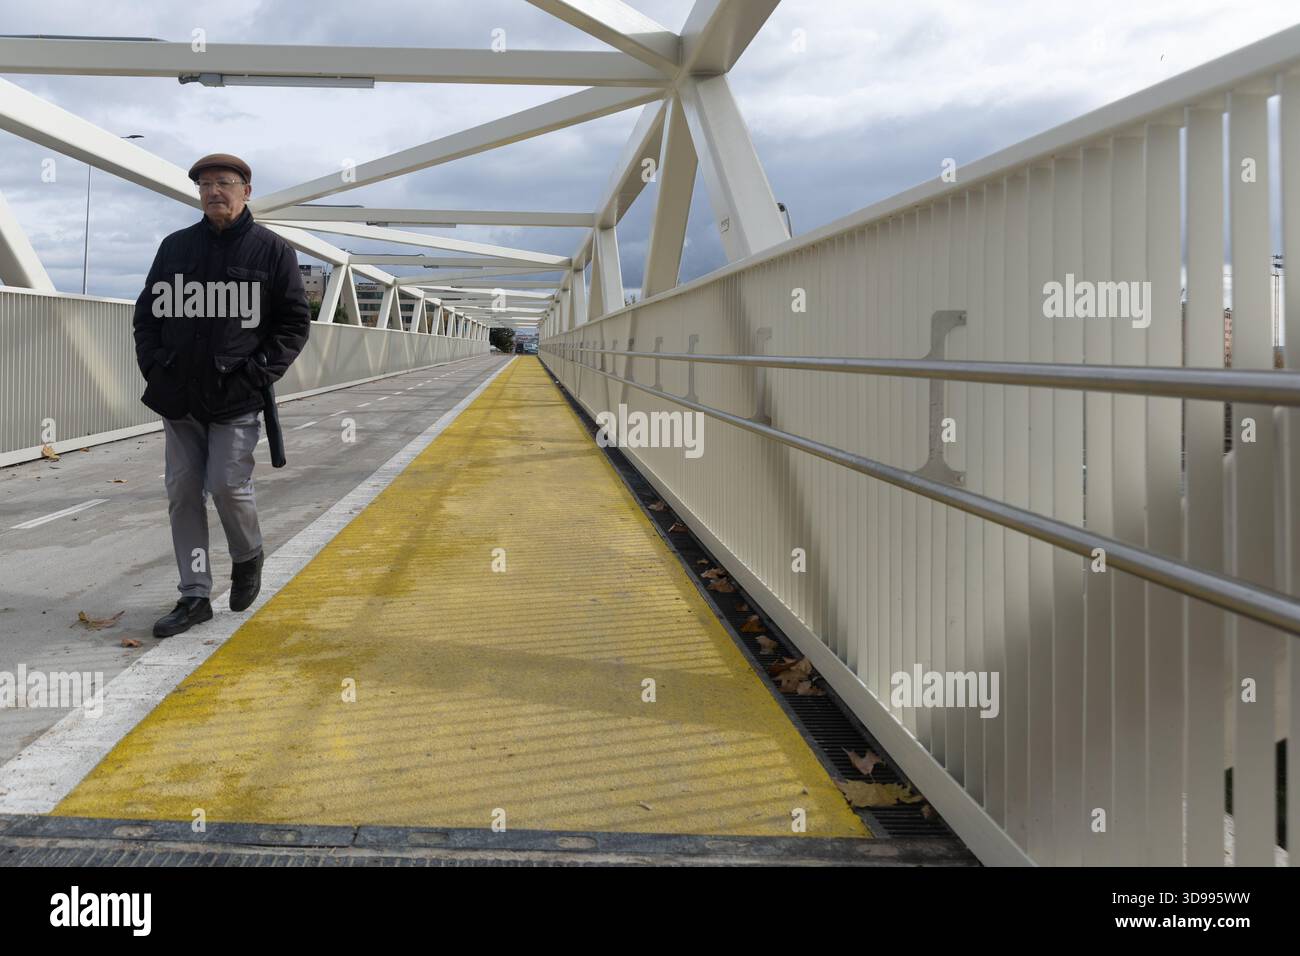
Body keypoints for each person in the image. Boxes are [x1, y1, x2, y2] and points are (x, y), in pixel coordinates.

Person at [132, 153, 310, 637]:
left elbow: (293, 324)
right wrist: (155, 366)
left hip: (235, 398)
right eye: (205, 184)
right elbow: (147, 317)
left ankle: (248, 555)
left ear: (246, 191)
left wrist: (254, 376)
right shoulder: (175, 248)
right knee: (183, 492)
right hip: (180, 396)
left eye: (225, 183)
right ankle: (194, 595)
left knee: (226, 485)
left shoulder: (272, 251)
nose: (214, 191)